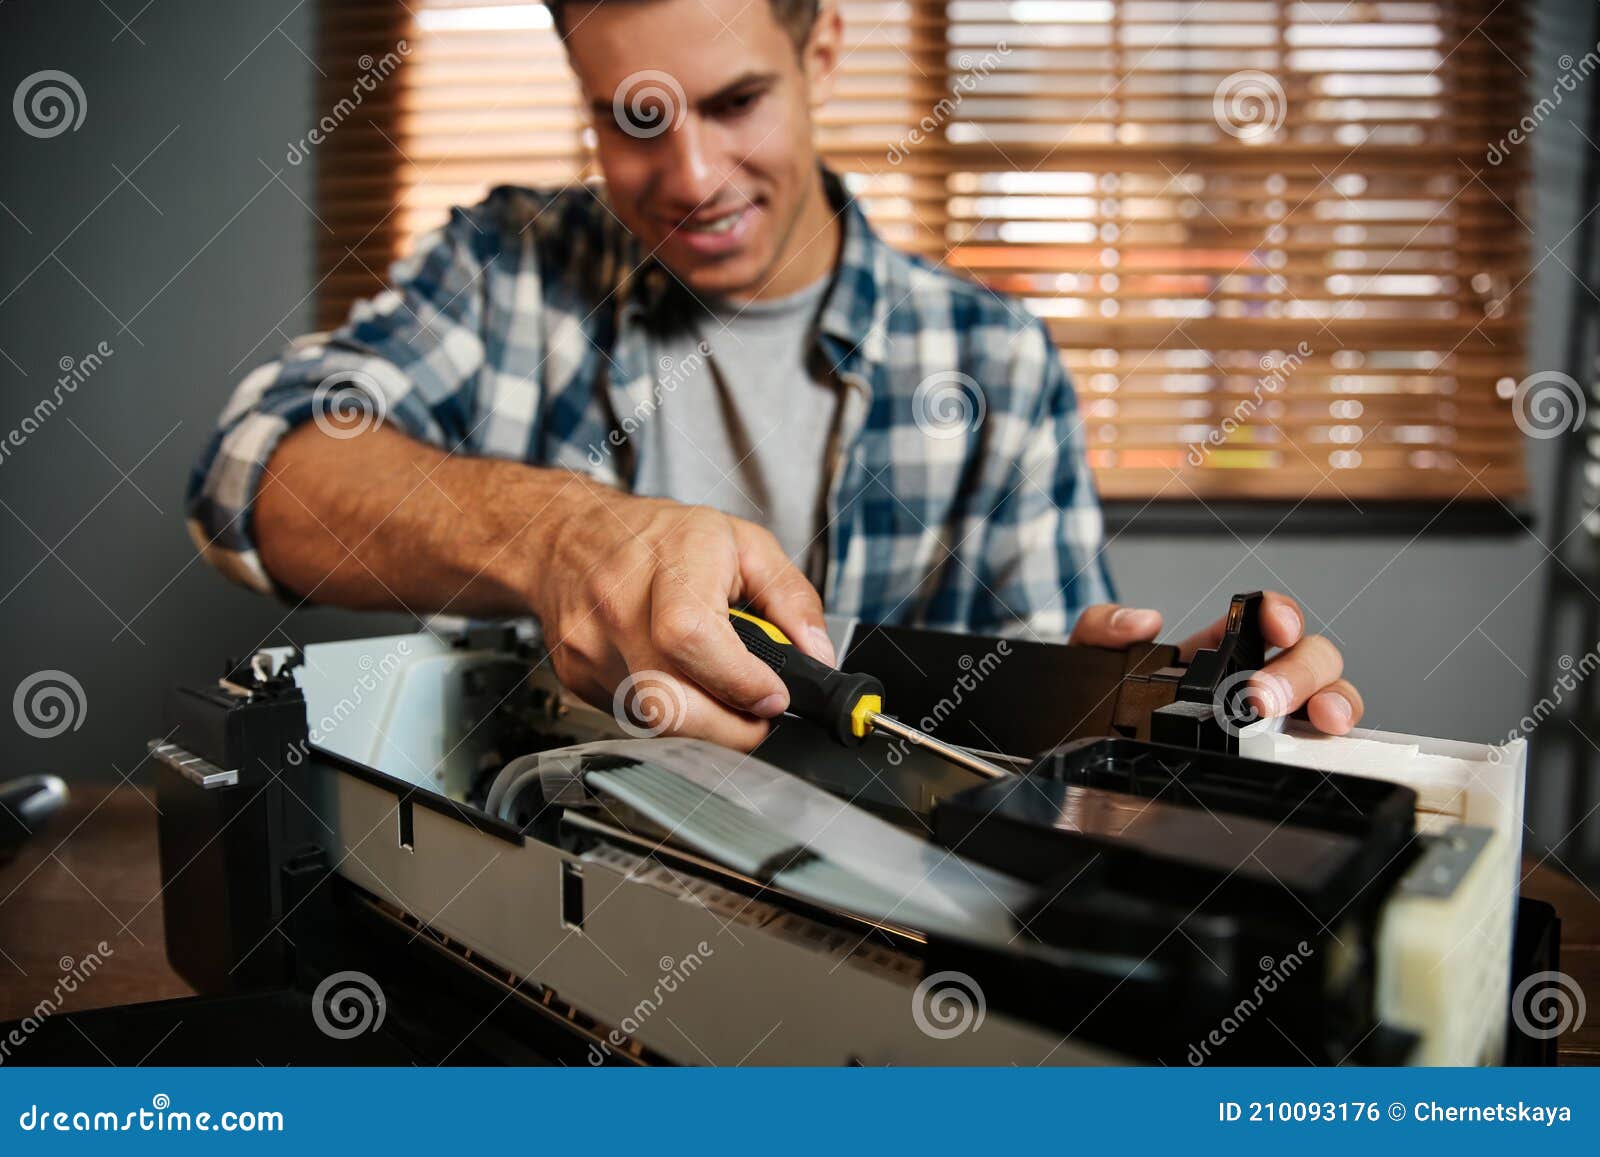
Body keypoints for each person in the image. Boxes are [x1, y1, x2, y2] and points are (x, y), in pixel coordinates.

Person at [186, 0, 1361, 750]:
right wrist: (560, 537)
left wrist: (1169, 711)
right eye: (634, 118)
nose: (690, 175)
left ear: (824, 51)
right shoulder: (505, 269)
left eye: (737, 101)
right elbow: (255, 469)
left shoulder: (995, 360)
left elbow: (1031, 735)